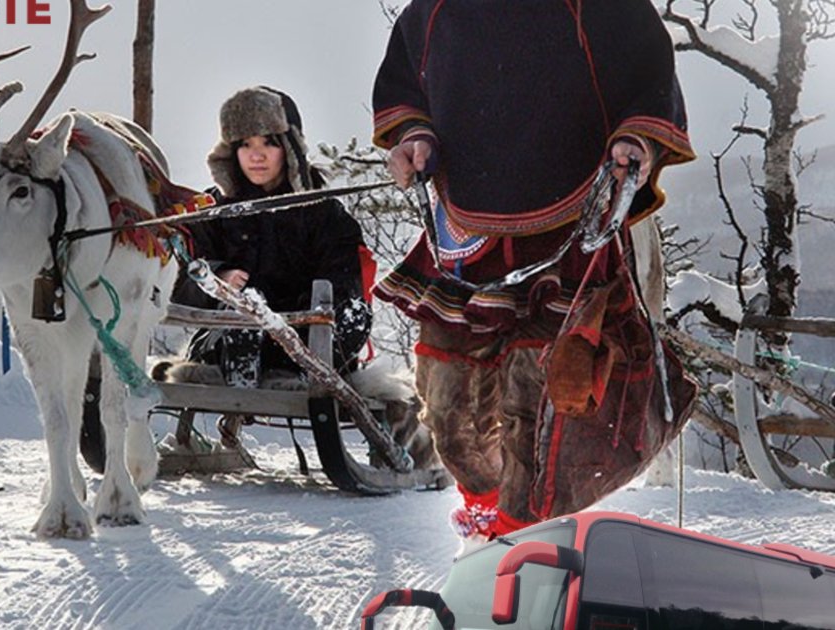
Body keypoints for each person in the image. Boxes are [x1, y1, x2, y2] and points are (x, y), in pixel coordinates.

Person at [371, 0, 698, 546]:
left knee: (544, 407)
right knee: (449, 413)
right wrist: (414, 135)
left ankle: (523, 540)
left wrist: (635, 139)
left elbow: (650, 78)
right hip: (467, 227)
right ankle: (487, 515)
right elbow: (406, 83)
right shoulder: (434, 8)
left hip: (568, 224)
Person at [172, 86, 372, 388]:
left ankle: (312, 375)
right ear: (231, 151)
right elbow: (178, 279)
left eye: (269, 142)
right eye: (245, 144)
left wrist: (305, 312)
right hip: (228, 340)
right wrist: (215, 277)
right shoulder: (212, 210)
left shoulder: (323, 211)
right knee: (248, 303)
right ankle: (241, 377)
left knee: (355, 312)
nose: (256, 155)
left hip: (310, 340)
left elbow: (345, 278)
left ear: (289, 148)